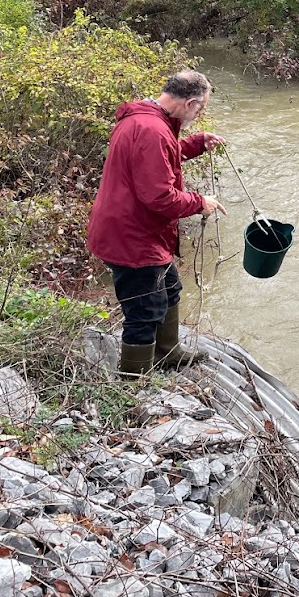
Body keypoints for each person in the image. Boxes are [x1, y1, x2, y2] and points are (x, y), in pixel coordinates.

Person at [87, 69, 228, 377]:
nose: (199, 115)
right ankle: (133, 382)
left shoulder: (147, 119)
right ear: (190, 103)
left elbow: (159, 158)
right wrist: (199, 203)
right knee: (143, 312)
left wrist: (196, 143)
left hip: (131, 229)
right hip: (131, 238)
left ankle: (168, 353)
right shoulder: (152, 130)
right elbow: (160, 198)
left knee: (171, 288)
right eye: (201, 109)